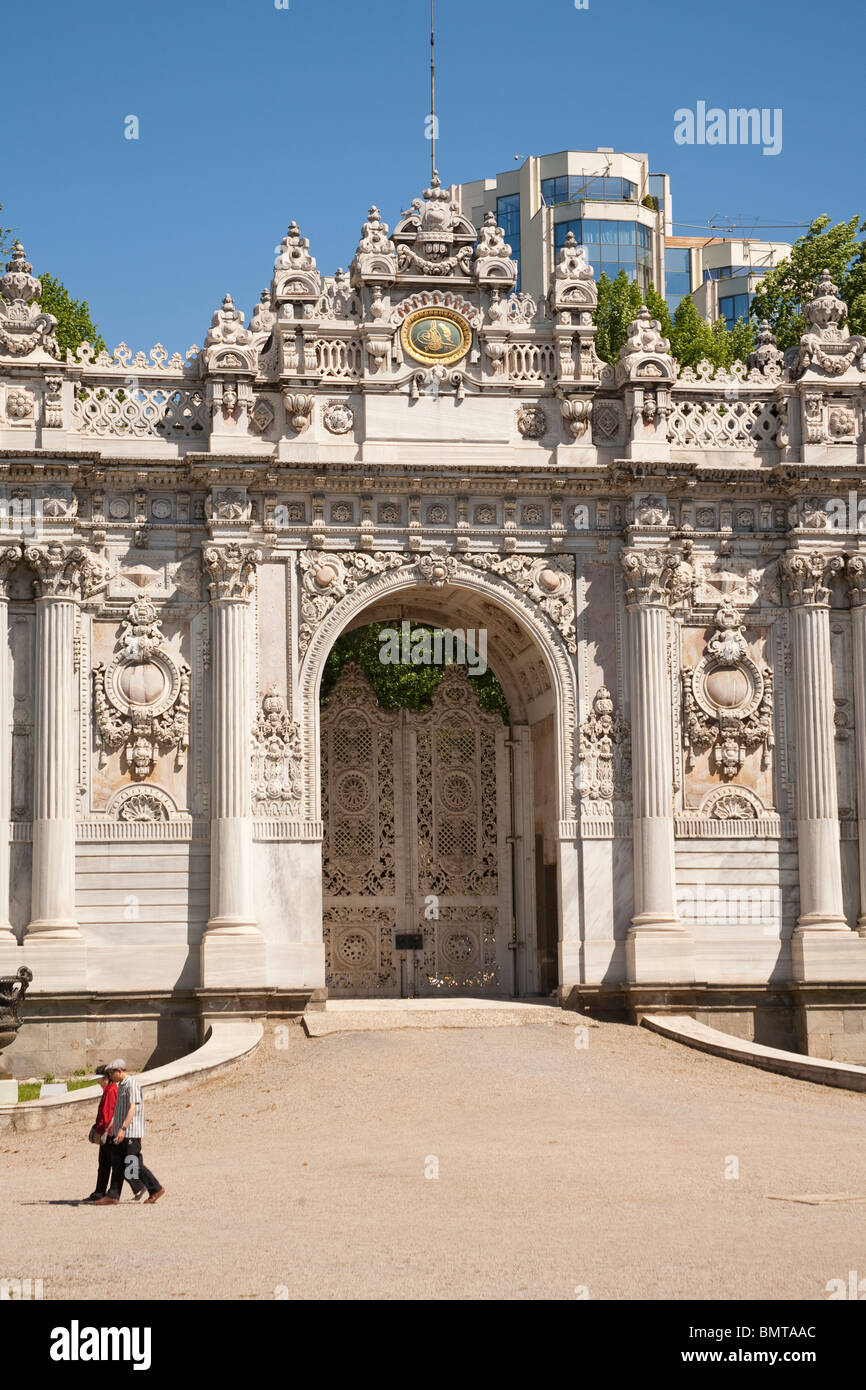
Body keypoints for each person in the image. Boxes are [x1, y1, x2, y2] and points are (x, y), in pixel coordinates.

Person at [93, 1060, 165, 1206]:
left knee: (133, 1163)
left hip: (131, 1132)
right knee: (118, 1162)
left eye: (111, 1073)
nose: (110, 1076)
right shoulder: (121, 1085)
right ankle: (113, 1195)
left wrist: (123, 1128)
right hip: (120, 1132)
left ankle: (155, 1188)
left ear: (119, 1070)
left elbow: (133, 1108)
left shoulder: (132, 1085)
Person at [83, 1064, 144, 1203]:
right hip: (113, 1132)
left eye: (100, 1079)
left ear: (107, 1078)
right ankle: (102, 1193)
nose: (99, 1082)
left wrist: (99, 1131)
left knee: (111, 1165)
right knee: (108, 1164)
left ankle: (112, 1193)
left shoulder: (111, 1090)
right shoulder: (111, 1089)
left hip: (111, 1133)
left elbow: (108, 1115)